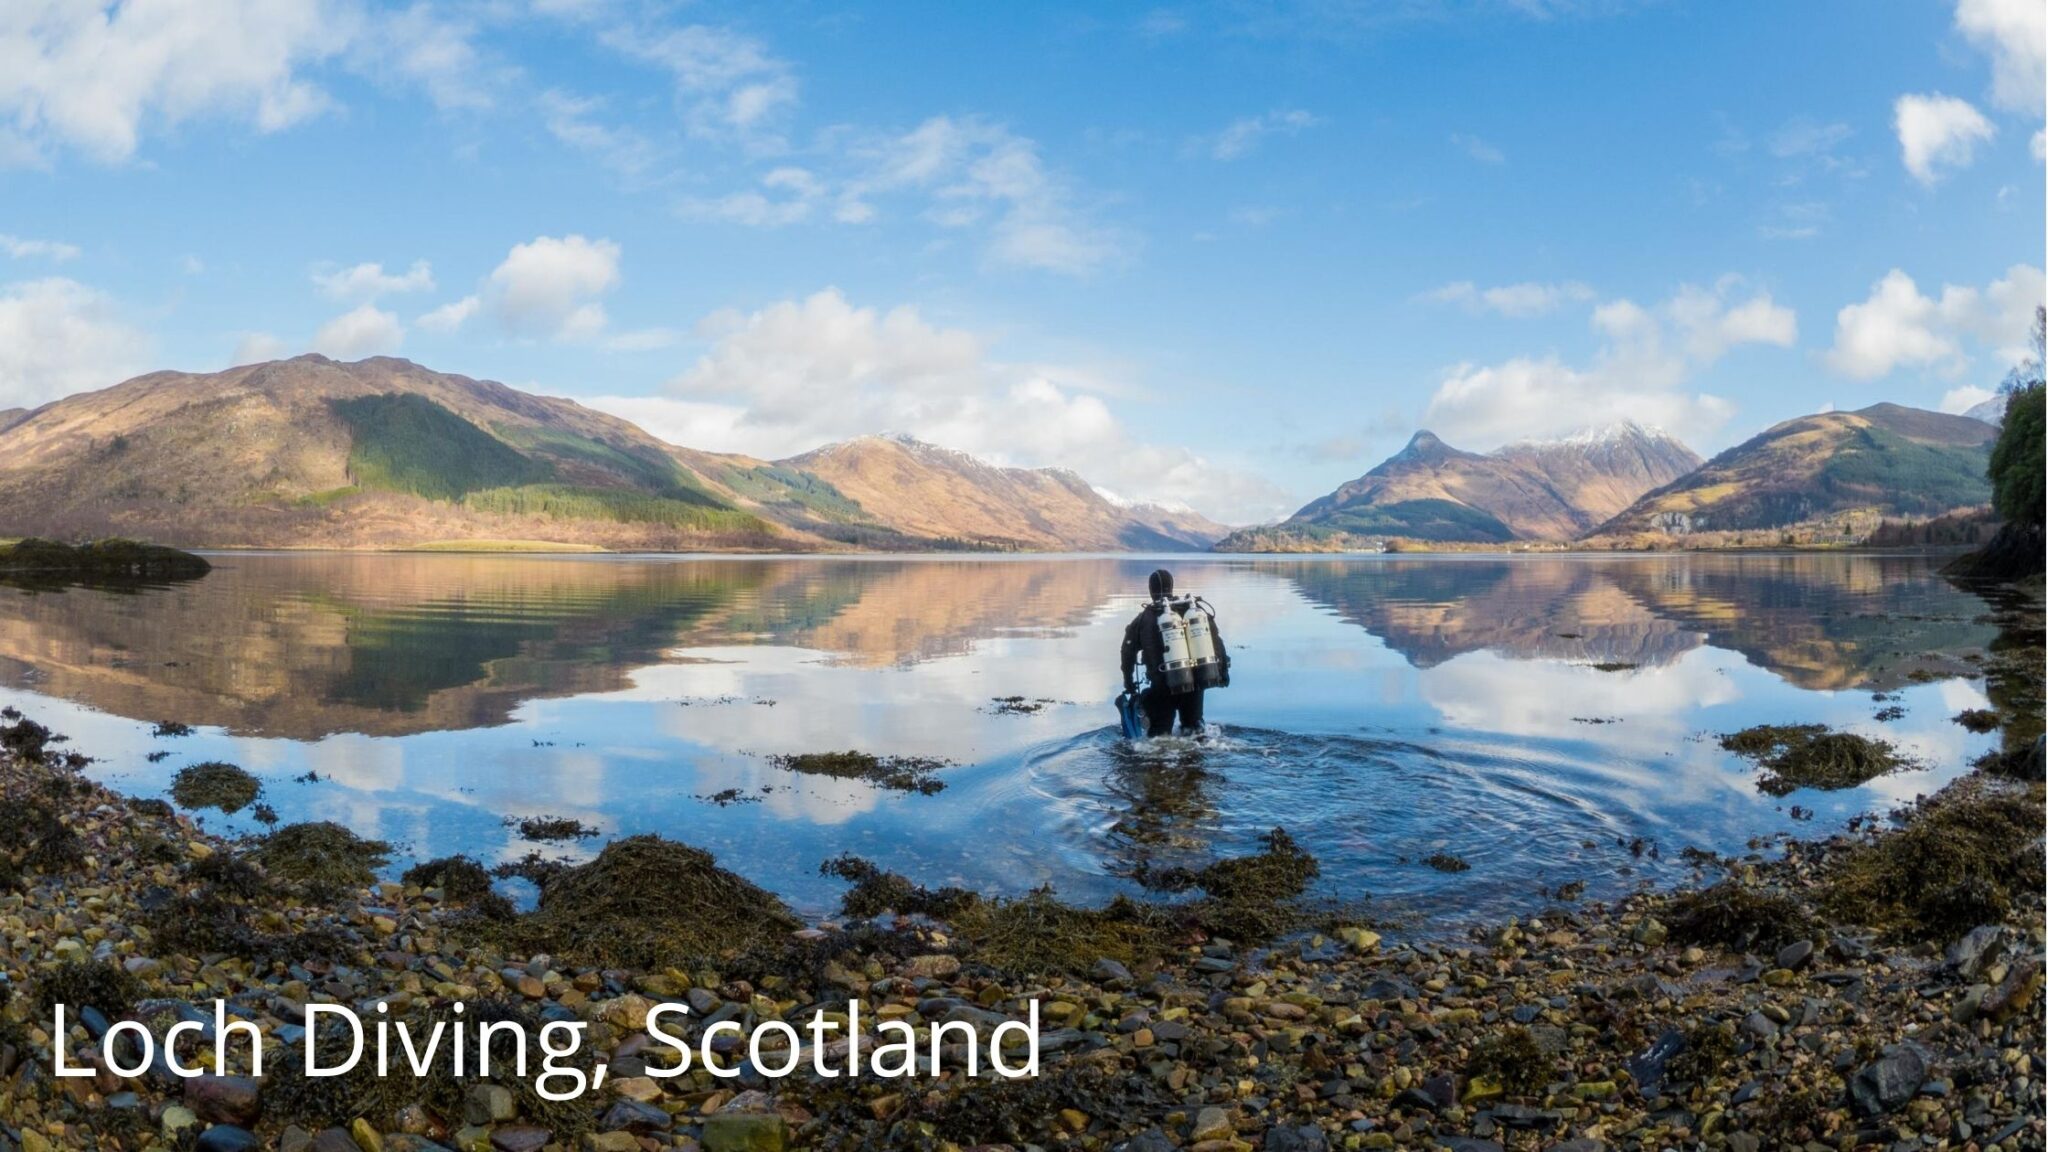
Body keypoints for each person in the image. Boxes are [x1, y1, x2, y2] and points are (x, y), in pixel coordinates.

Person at [1119, 568, 1229, 739]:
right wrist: (1223, 672)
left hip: (1162, 687)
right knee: (1194, 732)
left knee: (1160, 737)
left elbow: (1127, 653)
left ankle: (1163, 762)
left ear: (1150, 589)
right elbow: (1216, 641)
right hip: (1194, 684)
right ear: (1172, 586)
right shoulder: (1193, 610)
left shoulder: (1142, 620)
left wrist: (1129, 683)